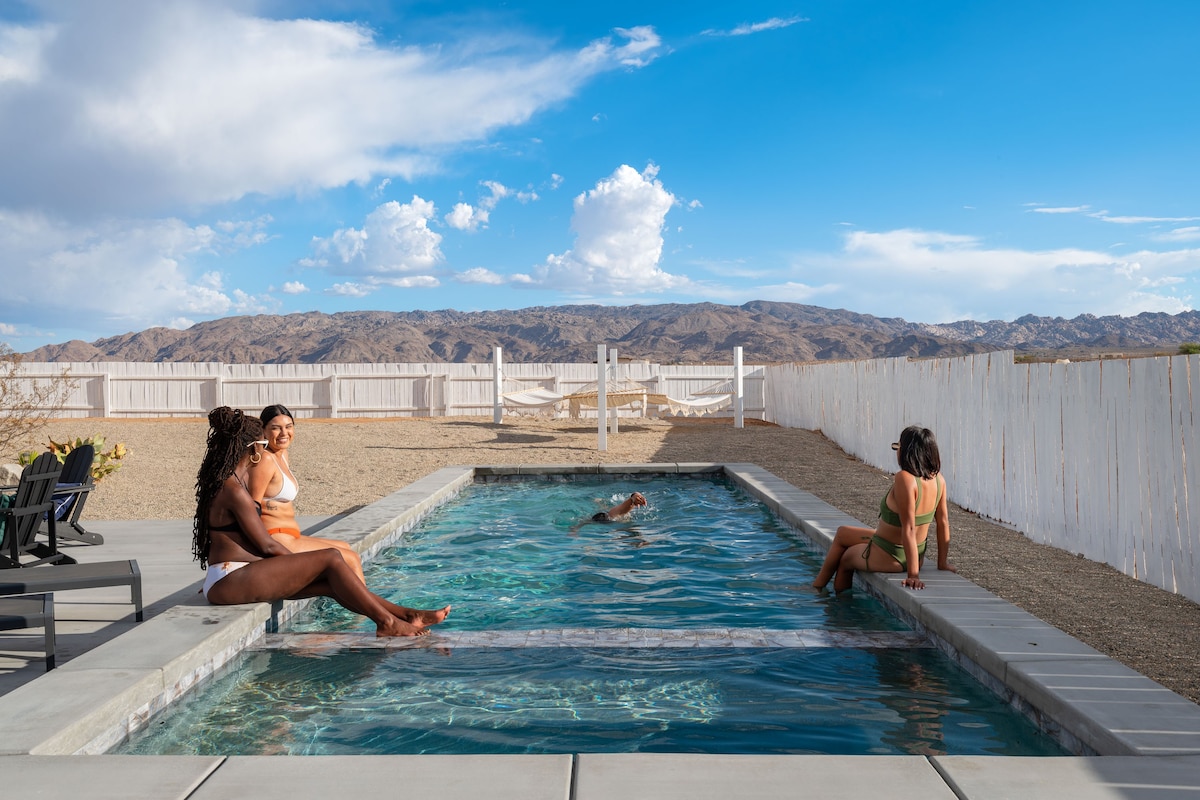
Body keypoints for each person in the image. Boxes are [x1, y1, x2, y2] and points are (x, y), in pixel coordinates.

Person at [193, 406, 449, 637]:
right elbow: (267, 545)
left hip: (235, 575)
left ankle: (405, 615)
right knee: (330, 558)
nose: (264, 449)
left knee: (330, 583)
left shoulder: (233, 484)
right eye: (261, 444)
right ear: (252, 448)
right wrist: (298, 563)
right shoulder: (233, 490)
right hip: (230, 578)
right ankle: (387, 623)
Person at [812, 426, 955, 592]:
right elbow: (943, 522)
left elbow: (908, 527)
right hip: (911, 552)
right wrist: (942, 563)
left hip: (892, 555)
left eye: (898, 446)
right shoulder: (939, 480)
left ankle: (833, 606)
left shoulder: (905, 479)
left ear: (908, 451)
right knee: (843, 533)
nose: (897, 451)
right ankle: (817, 586)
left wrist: (913, 575)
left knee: (846, 559)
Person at [247, 404, 365, 584]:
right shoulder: (265, 460)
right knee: (351, 558)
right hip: (277, 539)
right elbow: (249, 507)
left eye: (288, 426)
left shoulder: (282, 454)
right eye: (275, 428)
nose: (284, 433)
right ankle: (365, 610)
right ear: (263, 430)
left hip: (290, 535)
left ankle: (349, 605)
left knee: (345, 547)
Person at [569, 492, 647, 533]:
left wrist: (635, 496)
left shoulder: (613, 516)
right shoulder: (614, 516)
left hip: (610, 515)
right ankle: (599, 502)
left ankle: (599, 502)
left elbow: (631, 500)